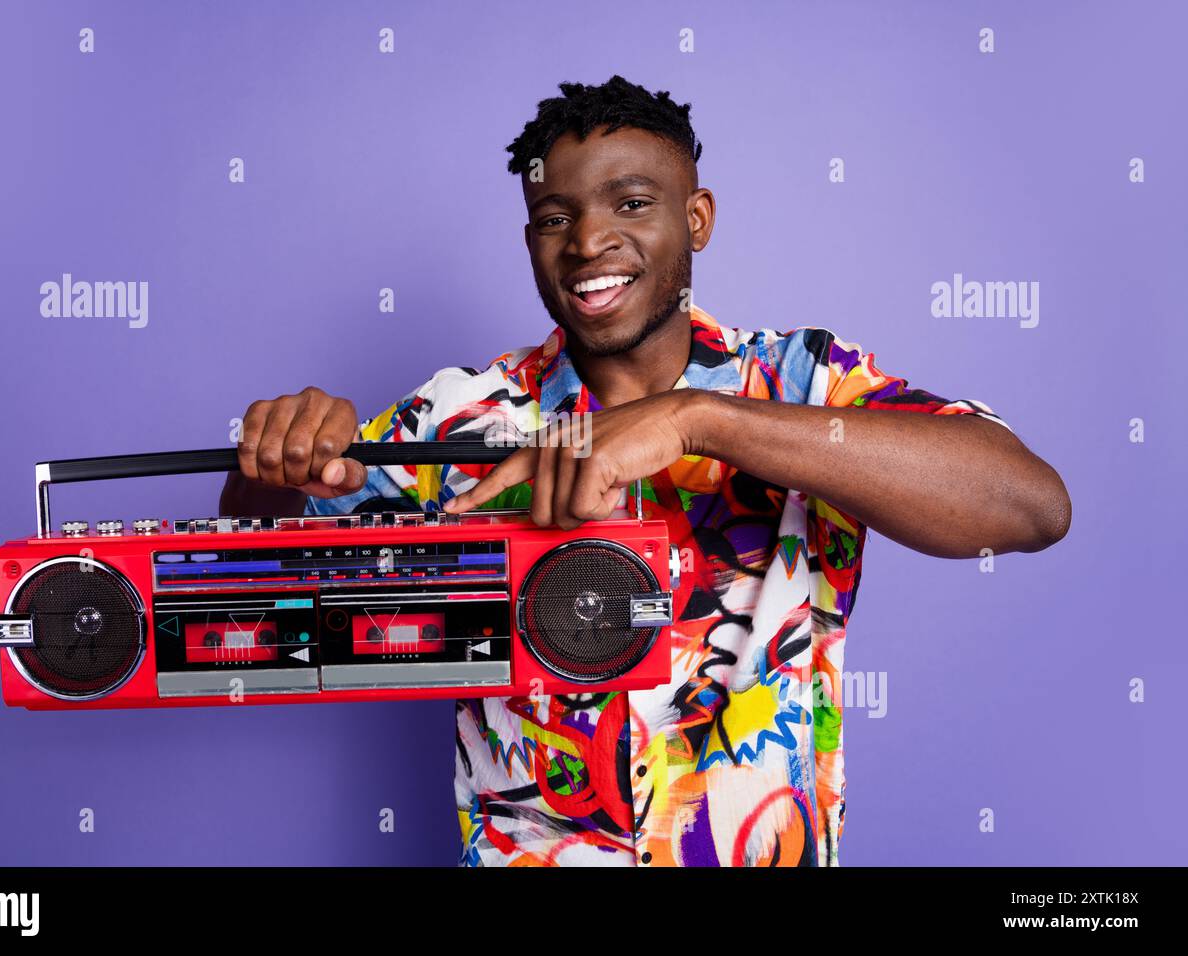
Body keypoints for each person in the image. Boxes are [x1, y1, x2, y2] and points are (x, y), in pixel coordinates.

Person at [220, 76, 1070, 867]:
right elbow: (250, 600)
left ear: (696, 219)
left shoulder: (802, 386)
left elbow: (1027, 505)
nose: (589, 240)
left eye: (631, 203)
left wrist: (697, 419)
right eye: (555, 217)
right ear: (530, 240)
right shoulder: (459, 416)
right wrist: (277, 467)